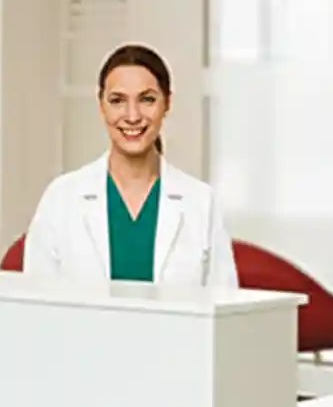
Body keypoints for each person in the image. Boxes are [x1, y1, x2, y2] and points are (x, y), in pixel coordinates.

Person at [23, 43, 238, 286]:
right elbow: (37, 305)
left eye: (147, 100)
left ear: (167, 103)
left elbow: (224, 309)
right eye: (117, 100)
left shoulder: (201, 202)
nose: (133, 116)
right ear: (101, 105)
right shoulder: (61, 197)